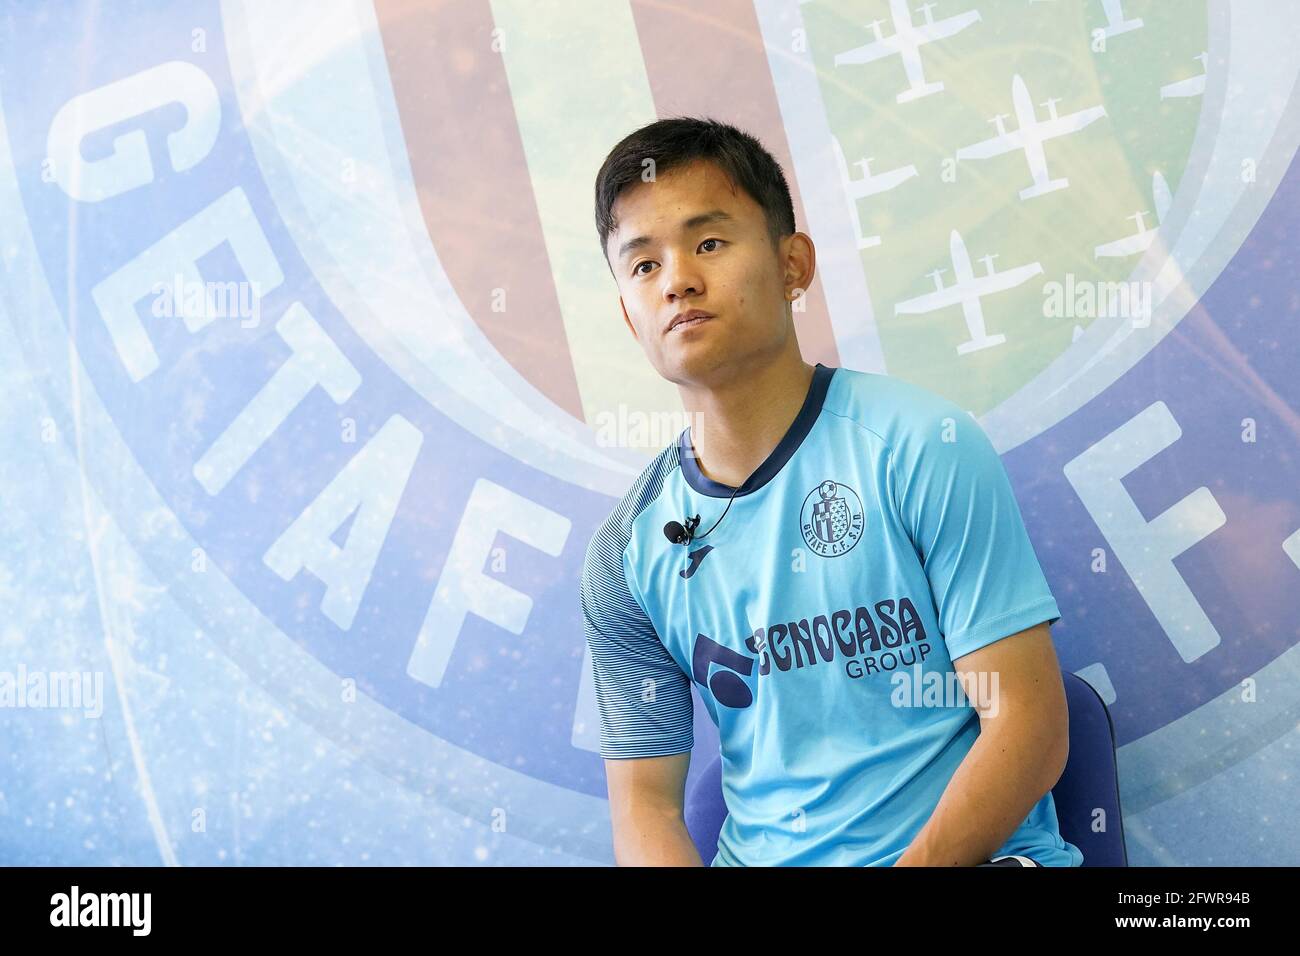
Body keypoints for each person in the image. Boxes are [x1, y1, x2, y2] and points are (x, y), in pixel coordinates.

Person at [581, 116, 1083, 868]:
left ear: (793, 265)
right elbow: (645, 807)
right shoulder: (622, 557)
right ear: (628, 313)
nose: (678, 279)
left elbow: (1030, 729)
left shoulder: (923, 446)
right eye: (644, 266)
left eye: (709, 243)